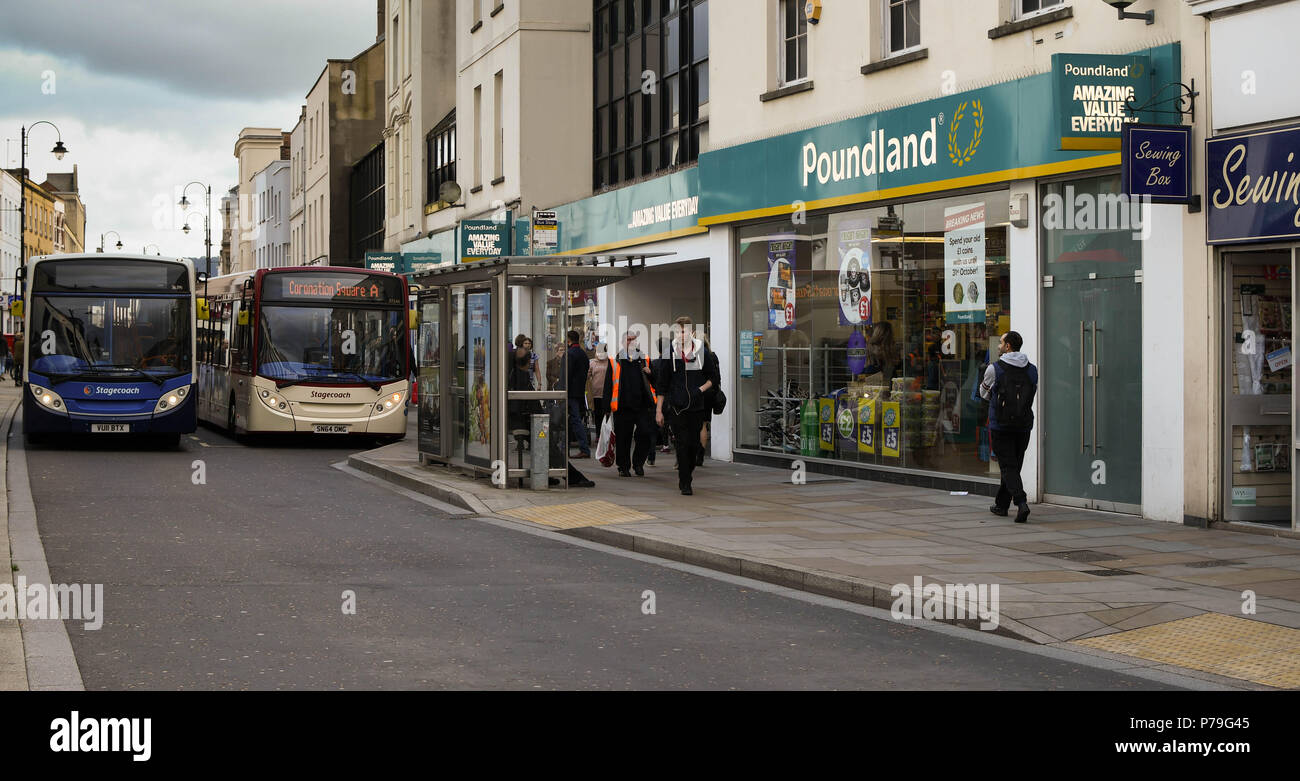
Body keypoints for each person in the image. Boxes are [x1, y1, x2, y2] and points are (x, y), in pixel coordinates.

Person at [655, 316, 719, 496]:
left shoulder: (702, 353)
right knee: (682, 444)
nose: (680, 335)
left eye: (683, 332)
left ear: (691, 333)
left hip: (696, 406)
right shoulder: (670, 353)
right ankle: (685, 482)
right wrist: (659, 410)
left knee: (693, 445)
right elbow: (662, 384)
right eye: (677, 332)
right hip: (676, 407)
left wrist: (700, 389)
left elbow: (713, 378)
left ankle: (688, 470)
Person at [979, 330, 1038, 523]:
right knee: (1013, 466)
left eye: (1001, 343)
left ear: (1008, 346)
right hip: (1023, 425)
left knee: (1007, 466)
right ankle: (1001, 505)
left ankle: (1021, 503)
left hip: (1000, 425)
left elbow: (984, 394)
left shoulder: (994, 368)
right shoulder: (1032, 369)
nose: (998, 346)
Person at [602, 331, 657, 477]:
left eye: (633, 340)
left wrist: (651, 373)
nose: (631, 342)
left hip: (642, 405)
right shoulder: (615, 360)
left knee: (645, 434)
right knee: (623, 438)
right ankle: (623, 466)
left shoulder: (644, 359)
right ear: (622, 342)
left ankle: (638, 463)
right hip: (622, 406)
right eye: (628, 339)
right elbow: (608, 384)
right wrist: (606, 407)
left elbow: (656, 381)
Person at [562, 329, 591, 458]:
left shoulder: (569, 354)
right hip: (579, 391)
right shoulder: (583, 354)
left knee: (573, 420)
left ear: (568, 340)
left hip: (570, 392)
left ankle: (583, 449)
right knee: (574, 420)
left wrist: (561, 391)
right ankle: (568, 448)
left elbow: (565, 375)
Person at [588, 342, 610, 427]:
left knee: (606, 414)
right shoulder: (592, 363)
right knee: (597, 415)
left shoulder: (610, 362)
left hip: (607, 394)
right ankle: (598, 434)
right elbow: (587, 375)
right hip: (595, 394)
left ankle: (607, 435)